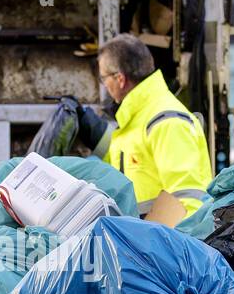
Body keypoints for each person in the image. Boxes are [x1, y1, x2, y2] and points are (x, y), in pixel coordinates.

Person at [90, 33, 212, 217]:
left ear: (120, 79)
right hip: (142, 239)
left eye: (104, 78)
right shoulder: (138, 118)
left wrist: (166, 244)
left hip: (160, 242)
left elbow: (188, 199)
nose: (104, 85)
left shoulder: (166, 121)